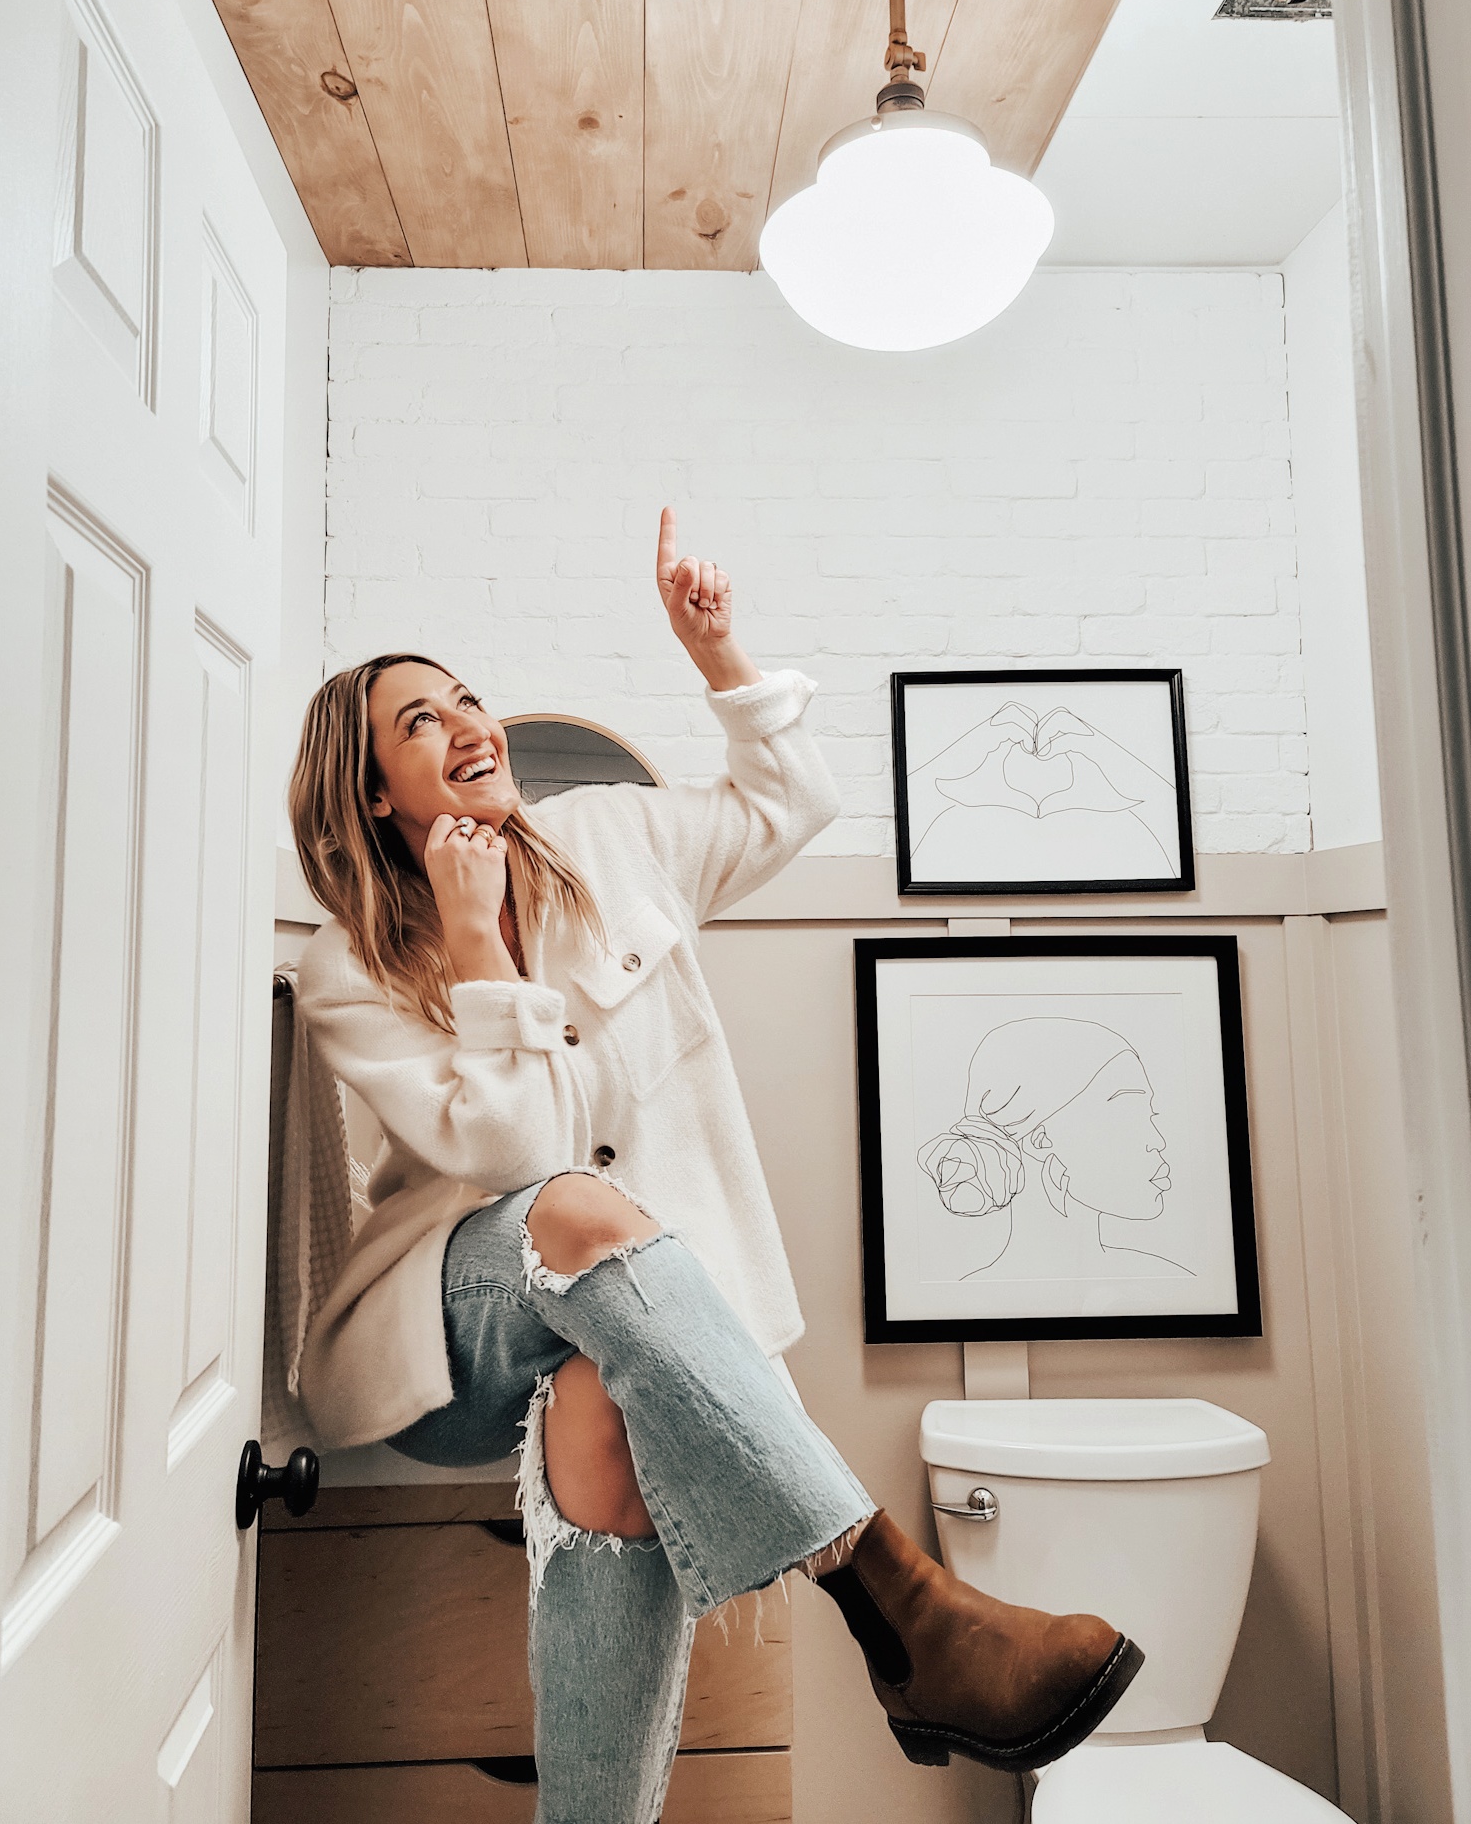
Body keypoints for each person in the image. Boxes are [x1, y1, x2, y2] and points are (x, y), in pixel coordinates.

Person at [286, 510, 1143, 1823]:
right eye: (421, 720)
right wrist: (474, 946)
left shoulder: (614, 839)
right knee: (573, 1207)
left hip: (614, 1307)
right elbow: (520, 1158)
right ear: (372, 793)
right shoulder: (348, 963)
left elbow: (791, 803)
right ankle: (900, 1602)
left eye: (468, 698)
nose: (468, 723)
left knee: (603, 1407)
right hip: (452, 1338)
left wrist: (718, 654)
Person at [919, 1017, 1190, 1280]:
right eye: (1128, 1113)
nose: (1158, 1141)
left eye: (1150, 1115)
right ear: (1040, 1139)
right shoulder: (969, 1299)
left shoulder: (1169, 1283)